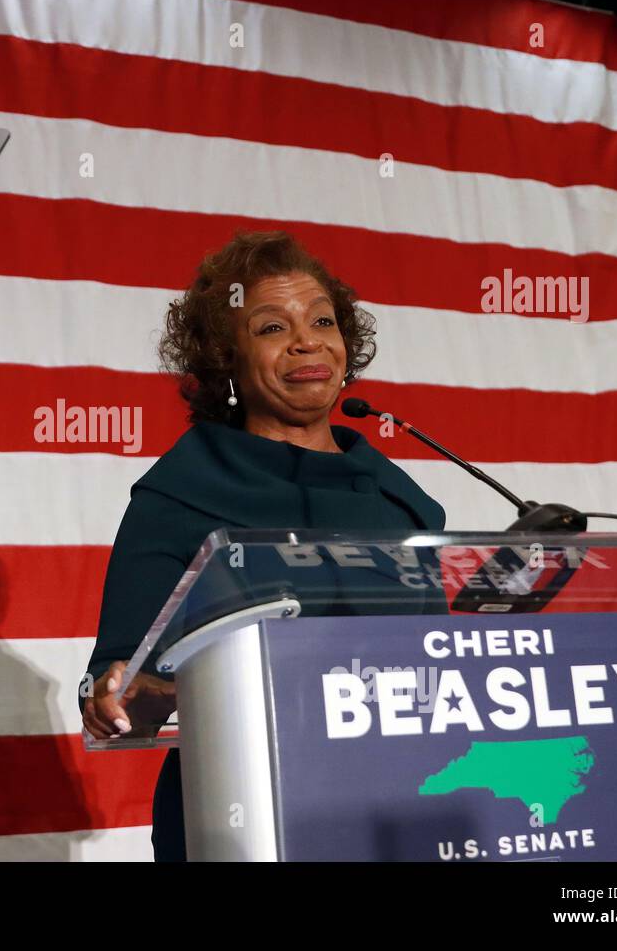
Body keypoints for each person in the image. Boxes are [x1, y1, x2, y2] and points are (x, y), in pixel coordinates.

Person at [79, 230, 447, 861]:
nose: (308, 341)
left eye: (323, 321)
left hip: (403, 809)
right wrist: (122, 694)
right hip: (246, 812)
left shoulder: (399, 502)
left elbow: (441, 672)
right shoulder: (182, 495)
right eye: (273, 327)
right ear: (226, 359)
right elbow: (118, 687)